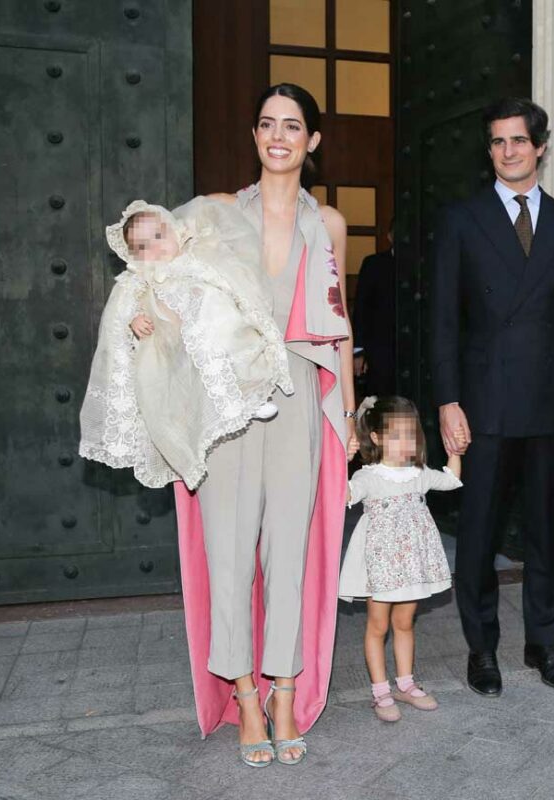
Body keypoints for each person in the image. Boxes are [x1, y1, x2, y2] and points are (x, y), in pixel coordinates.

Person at [167, 83, 357, 767]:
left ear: (313, 142)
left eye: (293, 126)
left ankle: (284, 692)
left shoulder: (327, 223)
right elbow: (153, 262)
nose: (279, 136)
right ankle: (243, 696)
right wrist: (147, 318)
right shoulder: (216, 214)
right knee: (229, 549)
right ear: (255, 137)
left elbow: (338, 323)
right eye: (267, 124)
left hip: (303, 395)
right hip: (228, 401)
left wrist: (349, 413)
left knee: (290, 552)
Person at [429, 97, 554, 697]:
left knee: (544, 532)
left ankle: (543, 643)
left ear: (540, 147)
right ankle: (482, 649)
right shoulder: (461, 219)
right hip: (484, 404)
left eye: (519, 141)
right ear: (491, 152)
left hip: (553, 402)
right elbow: (443, 322)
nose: (508, 152)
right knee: (478, 531)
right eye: (498, 143)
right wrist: (448, 400)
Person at [79, 201, 291, 488]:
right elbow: (120, 312)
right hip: (172, 348)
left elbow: (231, 278)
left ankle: (246, 394)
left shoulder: (195, 255)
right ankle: (189, 424)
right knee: (157, 381)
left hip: (215, 331)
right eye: (142, 247)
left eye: (158, 236)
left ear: (175, 231)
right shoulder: (137, 280)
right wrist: (134, 319)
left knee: (226, 332)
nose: (154, 248)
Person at [338, 395, 460, 722]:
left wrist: (455, 453)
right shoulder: (368, 476)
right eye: (394, 435)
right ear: (376, 438)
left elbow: (450, 481)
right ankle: (380, 690)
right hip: (382, 569)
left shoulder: (418, 473)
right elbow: (344, 495)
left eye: (409, 435)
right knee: (378, 626)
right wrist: (339, 457)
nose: (403, 442)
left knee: (404, 623)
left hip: (411, 569)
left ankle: (405, 684)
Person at [350, 224, 397, 396]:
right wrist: (358, 351)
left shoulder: (424, 265)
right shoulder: (373, 264)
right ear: (390, 237)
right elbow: (361, 308)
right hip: (379, 350)